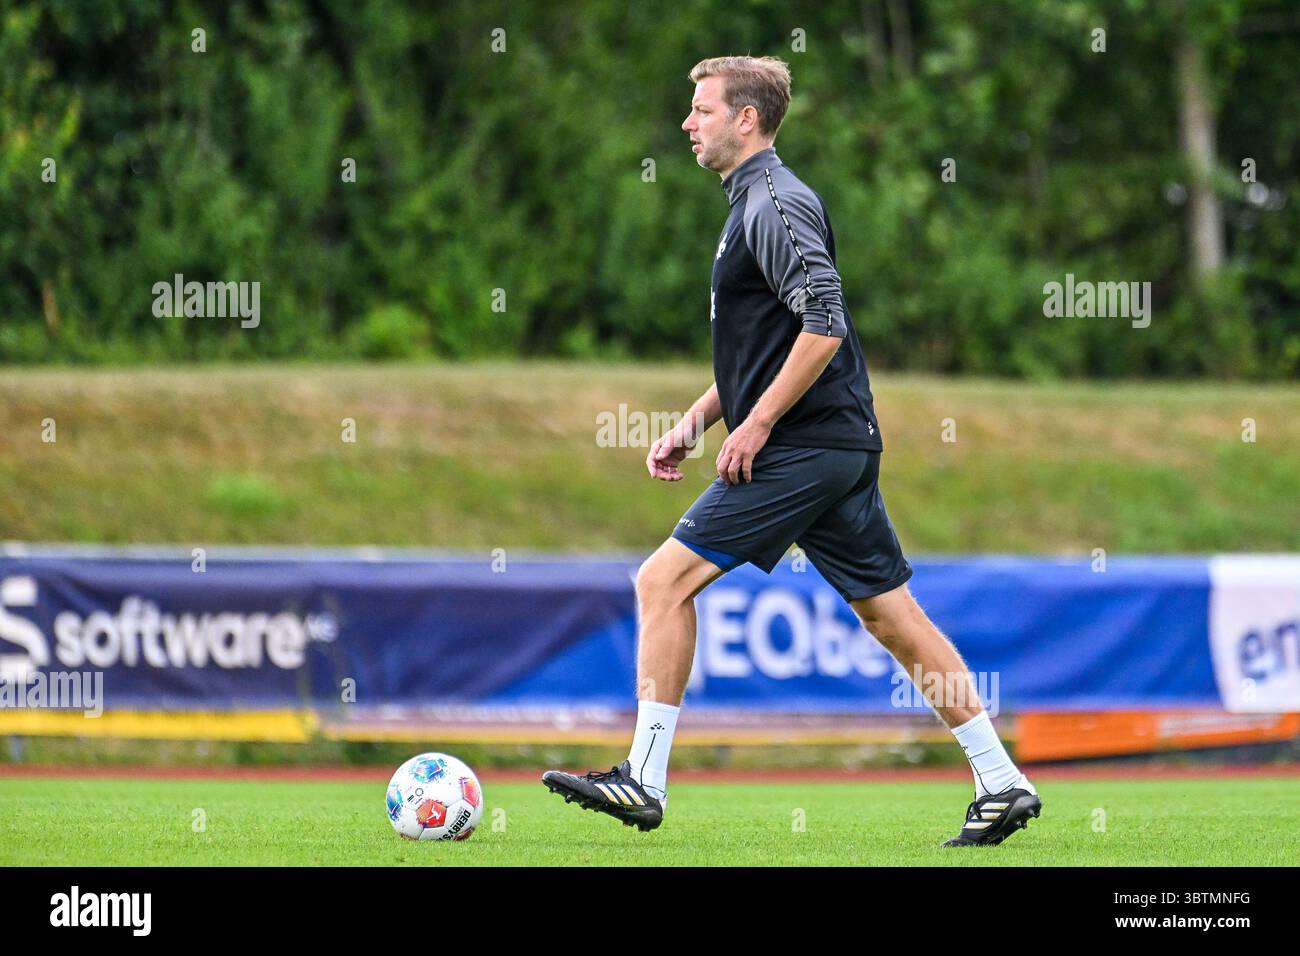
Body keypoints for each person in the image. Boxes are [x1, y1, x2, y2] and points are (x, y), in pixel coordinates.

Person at [543, 56, 1040, 847]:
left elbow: (825, 322)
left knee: (662, 582)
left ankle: (642, 777)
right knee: (890, 615)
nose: (687, 123)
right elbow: (771, 342)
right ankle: (1002, 779)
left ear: (747, 119)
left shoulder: (772, 202)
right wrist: (703, 417)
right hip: (834, 440)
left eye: (701, 109)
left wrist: (759, 424)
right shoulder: (752, 200)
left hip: (806, 444)